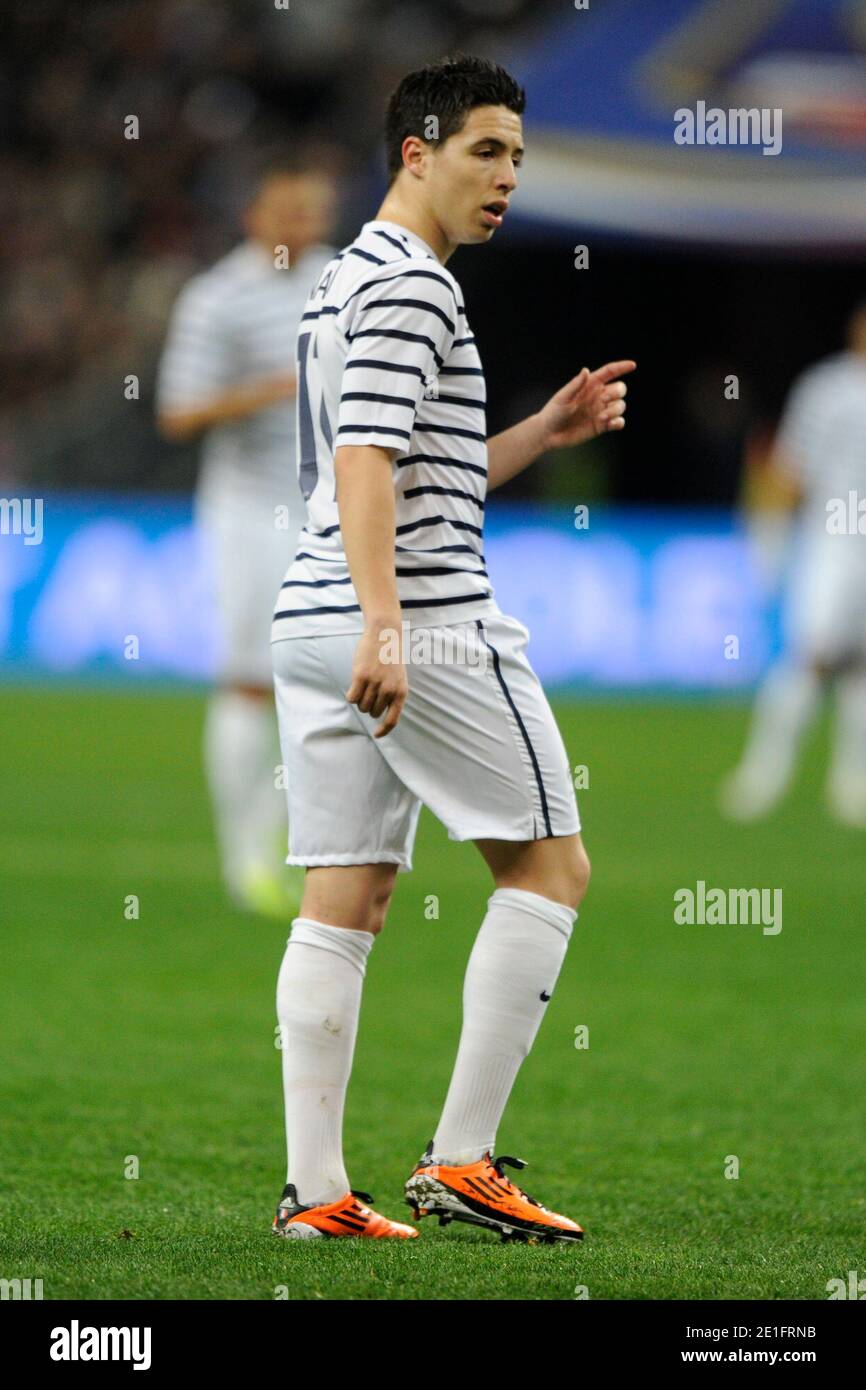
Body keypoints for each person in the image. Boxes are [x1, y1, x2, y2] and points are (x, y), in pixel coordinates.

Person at [269, 54, 635, 1243]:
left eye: (518, 157)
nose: (507, 178)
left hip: (312, 618)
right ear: (415, 153)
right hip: (414, 621)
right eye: (485, 150)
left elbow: (400, 466)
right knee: (550, 869)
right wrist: (389, 622)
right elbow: (367, 467)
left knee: (344, 896)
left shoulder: (339, 284)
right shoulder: (419, 287)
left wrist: (540, 430)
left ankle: (315, 1192)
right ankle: (459, 1161)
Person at [156, 153, 338, 917]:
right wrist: (264, 392)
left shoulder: (343, 280)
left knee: (332, 682)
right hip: (245, 506)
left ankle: (292, 844)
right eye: (288, 210)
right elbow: (177, 413)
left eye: (312, 210)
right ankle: (243, 861)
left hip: (330, 501)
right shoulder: (216, 298)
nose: (302, 225)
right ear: (253, 216)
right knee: (248, 678)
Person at [719, 301, 866, 827]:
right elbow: (789, 467)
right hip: (835, 538)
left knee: (860, 665)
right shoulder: (827, 389)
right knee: (812, 654)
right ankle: (765, 774)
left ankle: (853, 785)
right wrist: (772, 543)